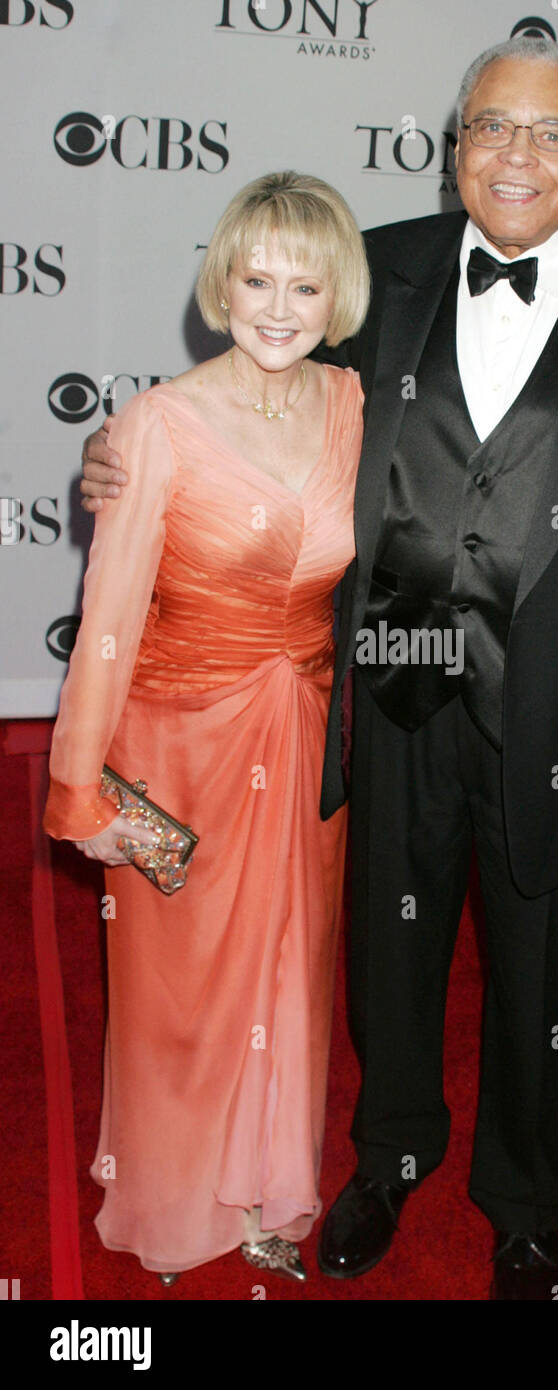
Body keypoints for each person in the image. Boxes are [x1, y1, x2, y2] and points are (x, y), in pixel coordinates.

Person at [81, 38, 558, 1300]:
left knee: (546, 970)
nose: (517, 155)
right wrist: (117, 461)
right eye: (492, 127)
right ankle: (387, 1153)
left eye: (549, 133)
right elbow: (249, 395)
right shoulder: (378, 266)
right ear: (453, 144)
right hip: (388, 693)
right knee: (391, 956)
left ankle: (527, 1201)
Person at [45, 171, 368, 1284]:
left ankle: (267, 1188)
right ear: (221, 283)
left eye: (305, 285)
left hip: (308, 732)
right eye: (256, 279)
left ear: (339, 296)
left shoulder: (356, 404)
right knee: (181, 998)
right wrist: (80, 788)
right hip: (181, 739)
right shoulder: (159, 423)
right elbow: (106, 623)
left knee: (291, 976)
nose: (277, 307)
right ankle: (181, 1196)